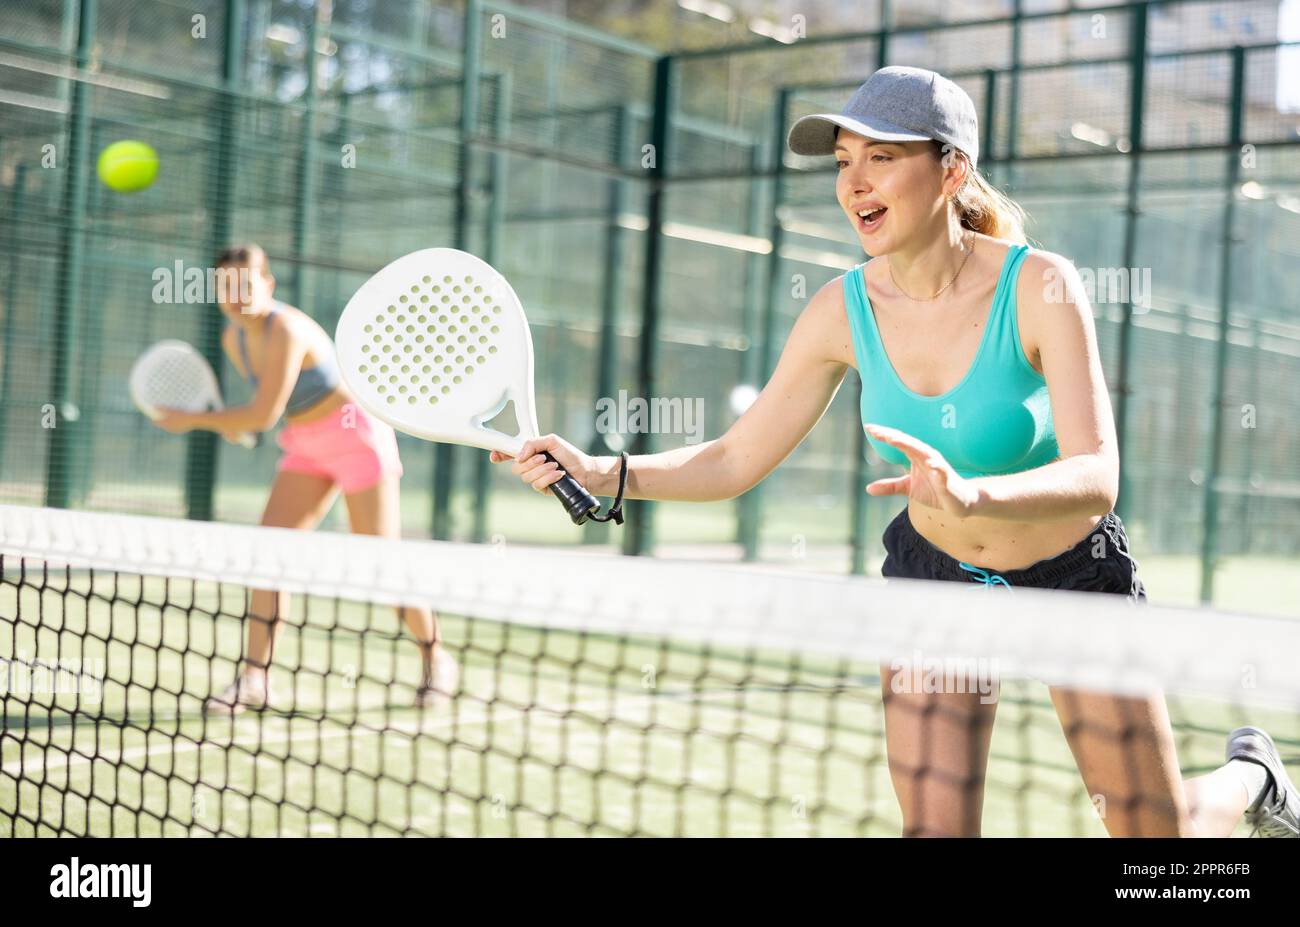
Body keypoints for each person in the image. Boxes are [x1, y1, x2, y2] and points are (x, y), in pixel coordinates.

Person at [490, 67, 1298, 837]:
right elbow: (738, 458)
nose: (855, 182)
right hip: (935, 584)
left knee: (1158, 847)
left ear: (952, 172)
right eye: (845, 163)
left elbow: (1097, 477)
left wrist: (978, 497)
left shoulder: (1040, 285)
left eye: (883, 157)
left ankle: (1249, 777)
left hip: (1071, 577)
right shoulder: (841, 308)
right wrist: (609, 472)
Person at [153, 244, 458, 714]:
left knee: (382, 566)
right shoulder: (233, 340)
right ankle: (255, 680)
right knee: (268, 555)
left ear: (268, 285)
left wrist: (194, 419)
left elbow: (260, 414)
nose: (237, 295)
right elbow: (269, 414)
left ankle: (435, 658)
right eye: (226, 287)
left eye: (246, 284)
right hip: (306, 445)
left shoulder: (288, 328)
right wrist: (234, 424)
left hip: (357, 437)